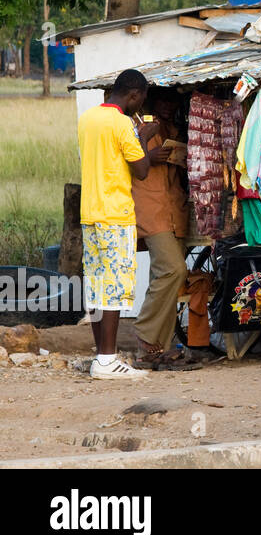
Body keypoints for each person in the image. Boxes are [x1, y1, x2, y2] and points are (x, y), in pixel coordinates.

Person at [77, 69, 170, 380]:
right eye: (141, 98)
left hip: (90, 214)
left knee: (96, 286)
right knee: (114, 289)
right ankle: (107, 359)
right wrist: (142, 136)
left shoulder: (88, 118)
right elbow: (141, 170)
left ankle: (100, 357)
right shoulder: (123, 124)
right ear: (134, 96)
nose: (141, 104)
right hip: (116, 215)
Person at [131, 88, 194, 370]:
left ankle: (159, 348)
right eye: (164, 100)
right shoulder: (136, 125)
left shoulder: (173, 127)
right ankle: (146, 335)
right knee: (173, 269)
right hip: (150, 208)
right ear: (151, 99)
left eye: (174, 101)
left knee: (165, 275)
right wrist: (149, 154)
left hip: (173, 207)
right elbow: (129, 162)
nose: (169, 106)